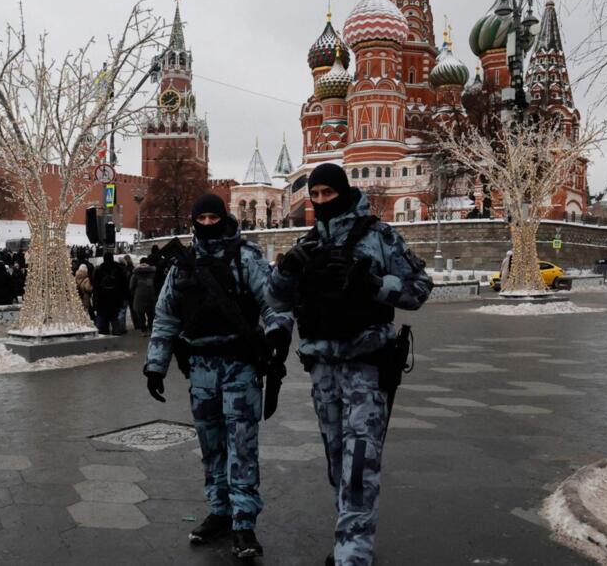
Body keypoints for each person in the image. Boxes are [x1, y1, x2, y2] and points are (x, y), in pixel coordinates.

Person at [268, 163, 432, 566]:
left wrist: (375, 286)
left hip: (365, 368)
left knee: (359, 463)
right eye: (316, 194)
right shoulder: (307, 244)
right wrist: (286, 272)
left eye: (328, 193)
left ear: (343, 192)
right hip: (323, 369)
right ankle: (349, 537)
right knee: (337, 459)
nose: (322, 200)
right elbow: (275, 300)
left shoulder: (379, 237)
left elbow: (419, 288)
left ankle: (352, 556)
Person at [143, 194, 293, 559]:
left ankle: (244, 523)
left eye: (214, 217)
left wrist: (277, 333)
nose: (208, 224)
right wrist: (156, 364)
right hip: (201, 369)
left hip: (239, 365)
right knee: (211, 445)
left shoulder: (245, 257)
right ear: (194, 221)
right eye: (202, 218)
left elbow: (273, 302)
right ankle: (220, 510)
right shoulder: (182, 265)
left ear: (223, 218)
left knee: (241, 446)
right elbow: (166, 316)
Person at [92, 252, 129, 335]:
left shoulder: (99, 270)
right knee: (114, 316)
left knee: (103, 316)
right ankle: (117, 331)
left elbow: (95, 285)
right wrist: (123, 296)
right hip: (115, 297)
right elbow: (124, 284)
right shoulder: (119, 270)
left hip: (103, 298)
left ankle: (104, 332)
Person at [129, 257, 157, 334]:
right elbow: (156, 284)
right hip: (150, 296)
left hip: (139, 296)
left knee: (140, 314)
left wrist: (134, 293)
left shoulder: (135, 274)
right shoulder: (153, 273)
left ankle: (143, 330)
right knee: (151, 314)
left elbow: (131, 286)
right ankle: (150, 328)